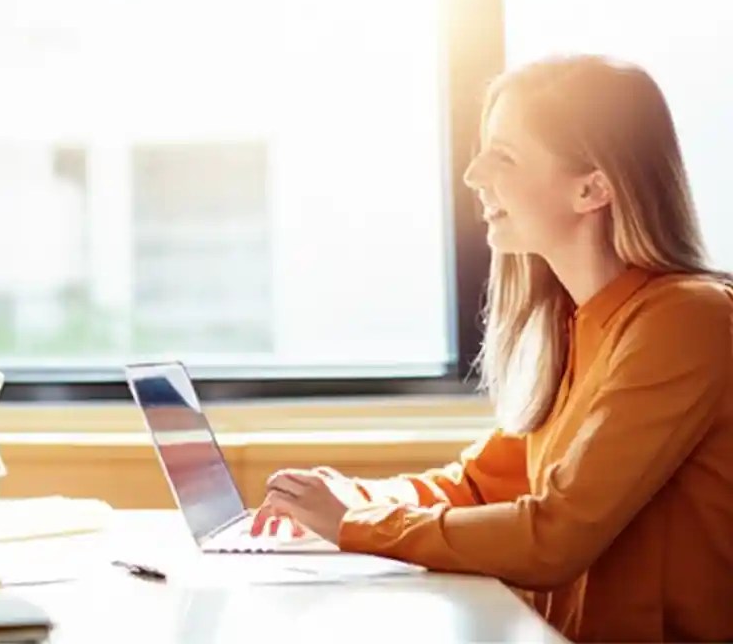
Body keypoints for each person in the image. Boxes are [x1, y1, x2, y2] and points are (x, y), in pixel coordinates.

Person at [251, 55, 733, 642]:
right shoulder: (576, 323)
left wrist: (355, 522)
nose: (474, 174)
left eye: (503, 155)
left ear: (592, 188)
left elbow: (554, 536)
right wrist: (347, 496)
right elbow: (479, 485)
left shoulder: (685, 320)